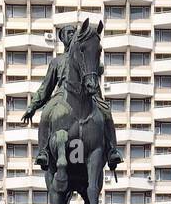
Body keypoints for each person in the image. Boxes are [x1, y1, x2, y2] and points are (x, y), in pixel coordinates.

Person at [23, 23, 123, 173]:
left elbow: (96, 67)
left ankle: (112, 150)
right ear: (62, 38)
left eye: (73, 32)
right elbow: (46, 87)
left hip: (90, 94)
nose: (71, 35)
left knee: (106, 111)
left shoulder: (84, 53)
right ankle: (43, 151)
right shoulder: (57, 61)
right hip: (63, 95)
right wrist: (32, 106)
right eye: (68, 33)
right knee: (46, 114)